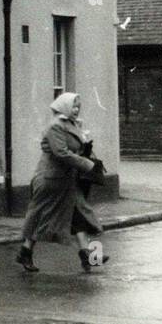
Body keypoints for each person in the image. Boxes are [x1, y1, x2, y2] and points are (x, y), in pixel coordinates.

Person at [15, 92, 108, 273]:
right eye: (73, 106)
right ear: (63, 106)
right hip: (50, 180)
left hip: (68, 181)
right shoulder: (55, 126)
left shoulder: (73, 124)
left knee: (80, 216)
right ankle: (25, 252)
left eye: (78, 107)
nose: (76, 110)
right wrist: (88, 165)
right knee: (40, 217)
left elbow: (77, 149)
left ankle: (89, 256)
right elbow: (61, 153)